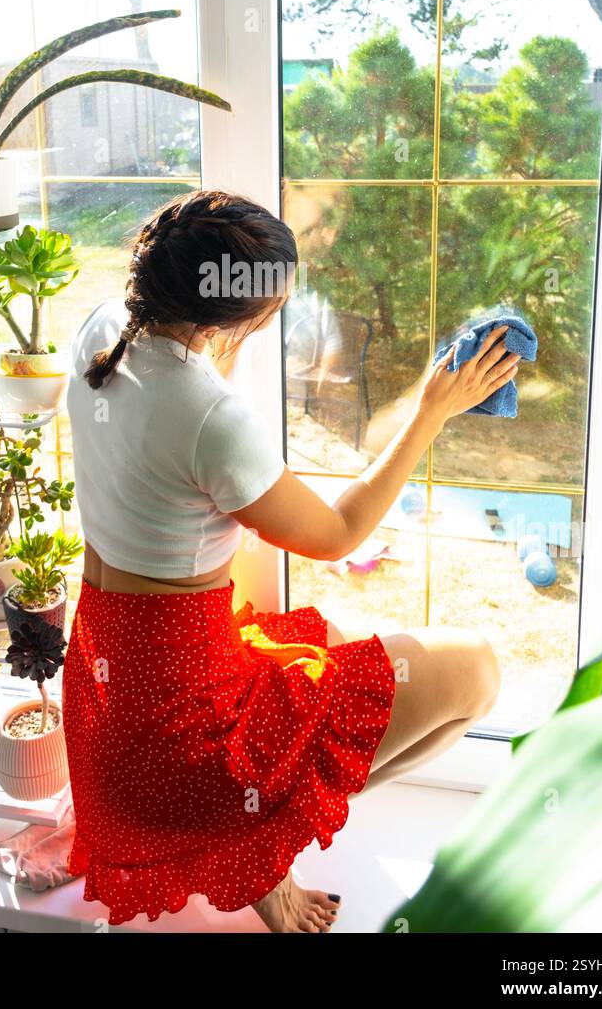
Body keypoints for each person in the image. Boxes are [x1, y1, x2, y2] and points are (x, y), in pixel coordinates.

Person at [63, 188, 517, 933]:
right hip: (186, 744)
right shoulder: (209, 417)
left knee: (331, 644)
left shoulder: (103, 328)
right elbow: (338, 534)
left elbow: (188, 436)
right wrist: (433, 409)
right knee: (477, 670)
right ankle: (256, 839)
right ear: (235, 316)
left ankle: (259, 843)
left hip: (109, 698)